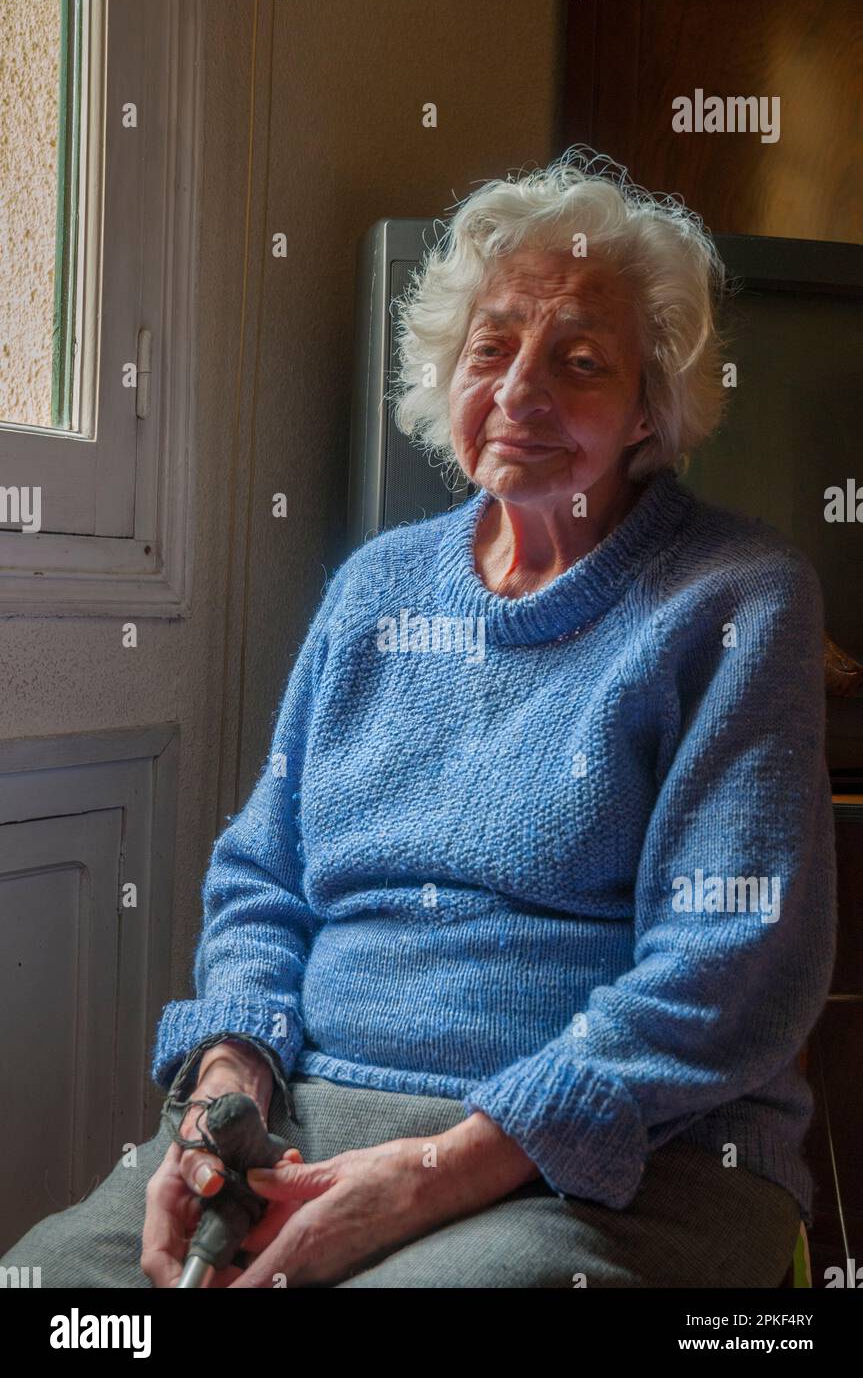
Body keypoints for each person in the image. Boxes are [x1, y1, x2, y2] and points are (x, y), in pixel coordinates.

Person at [1, 148, 836, 1288]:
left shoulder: (736, 596)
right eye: (491, 346)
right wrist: (228, 1081)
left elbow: (730, 963)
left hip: (617, 1155)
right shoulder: (375, 588)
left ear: (652, 406)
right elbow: (264, 877)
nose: (519, 390)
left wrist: (434, 1169)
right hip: (308, 1115)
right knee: (54, 1290)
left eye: (579, 360)